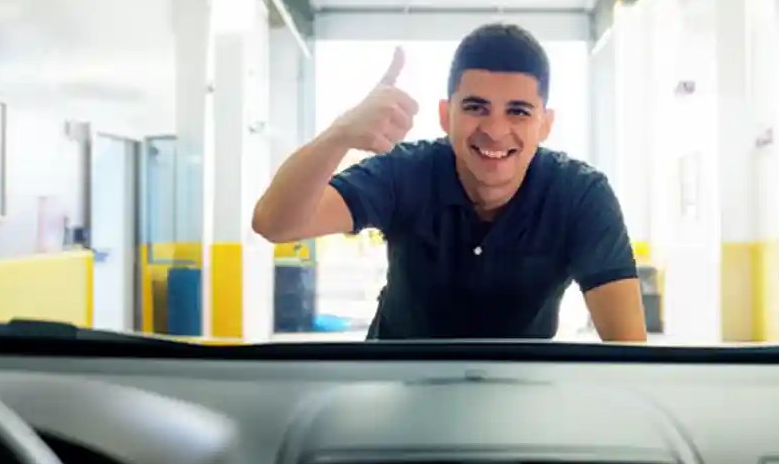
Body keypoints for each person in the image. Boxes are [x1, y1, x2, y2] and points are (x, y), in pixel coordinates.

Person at [252, 23, 647, 341]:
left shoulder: (580, 196)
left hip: (519, 396)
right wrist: (339, 134)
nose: (495, 130)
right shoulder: (405, 172)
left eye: (519, 112)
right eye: (476, 108)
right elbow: (276, 223)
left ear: (546, 124)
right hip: (396, 388)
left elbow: (629, 349)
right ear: (446, 115)